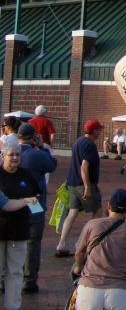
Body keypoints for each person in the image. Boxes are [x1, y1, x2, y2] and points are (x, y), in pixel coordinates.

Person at [72, 188, 126, 310]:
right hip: (120, 290)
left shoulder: (92, 225)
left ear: (108, 205)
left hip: (90, 288)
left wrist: (78, 267)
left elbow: (79, 253)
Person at [0, 140, 41, 310]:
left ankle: (12, 306)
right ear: (3, 156)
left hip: (19, 229)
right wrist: (24, 201)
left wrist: (34, 202)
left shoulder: (25, 174)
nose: (15, 157)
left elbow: (36, 195)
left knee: (15, 272)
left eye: (17, 154)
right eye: (11, 155)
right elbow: (7, 204)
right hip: (0, 230)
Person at [17, 123, 57, 294]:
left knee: (9, 240)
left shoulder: (10, 153)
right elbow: (52, 165)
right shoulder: (36, 154)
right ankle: (29, 279)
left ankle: (4, 277)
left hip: (12, 201)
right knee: (32, 241)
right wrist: (42, 146)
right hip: (34, 202)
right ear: (34, 137)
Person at [56, 119, 104, 258]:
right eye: (99, 130)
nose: (100, 132)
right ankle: (84, 242)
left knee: (72, 212)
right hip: (82, 183)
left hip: (71, 182)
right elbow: (84, 167)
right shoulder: (89, 145)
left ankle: (62, 243)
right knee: (97, 210)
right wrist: (87, 187)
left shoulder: (78, 141)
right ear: (94, 131)